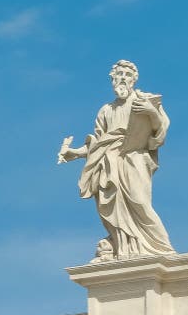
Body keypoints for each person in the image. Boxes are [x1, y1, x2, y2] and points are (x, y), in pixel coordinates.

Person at [58, 60, 174, 259]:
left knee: (140, 203)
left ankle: (161, 248)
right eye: (118, 75)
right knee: (113, 208)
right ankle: (123, 248)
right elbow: (98, 144)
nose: (122, 79)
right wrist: (74, 153)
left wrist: (151, 112)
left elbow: (160, 132)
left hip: (135, 158)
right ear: (112, 80)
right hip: (110, 164)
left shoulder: (145, 99)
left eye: (127, 75)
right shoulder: (106, 110)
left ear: (134, 80)